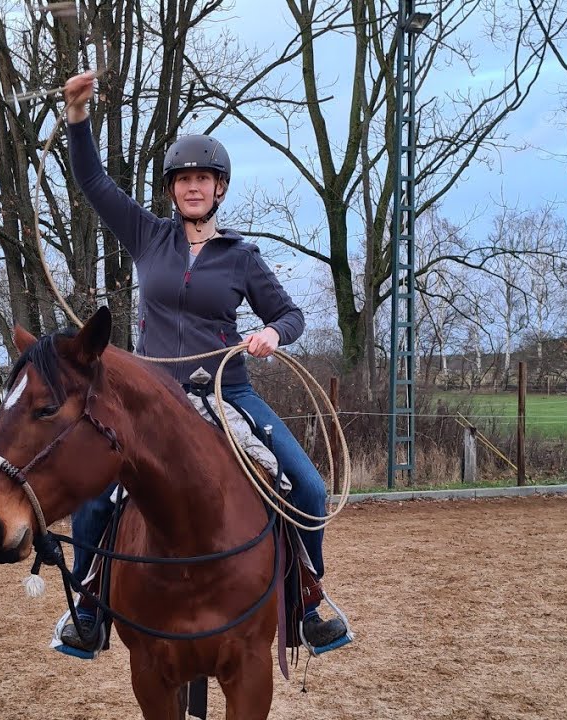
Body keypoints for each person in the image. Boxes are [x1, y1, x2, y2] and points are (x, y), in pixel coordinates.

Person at [56, 70, 349, 656]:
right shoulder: (147, 235)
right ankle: (89, 605)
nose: (194, 187)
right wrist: (78, 119)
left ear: (220, 188)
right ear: (172, 189)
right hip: (151, 395)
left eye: (205, 179)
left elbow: (292, 314)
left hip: (227, 391)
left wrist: (270, 332)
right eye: (184, 179)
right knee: (94, 496)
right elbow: (90, 179)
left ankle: (305, 597)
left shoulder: (242, 256)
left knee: (309, 490)